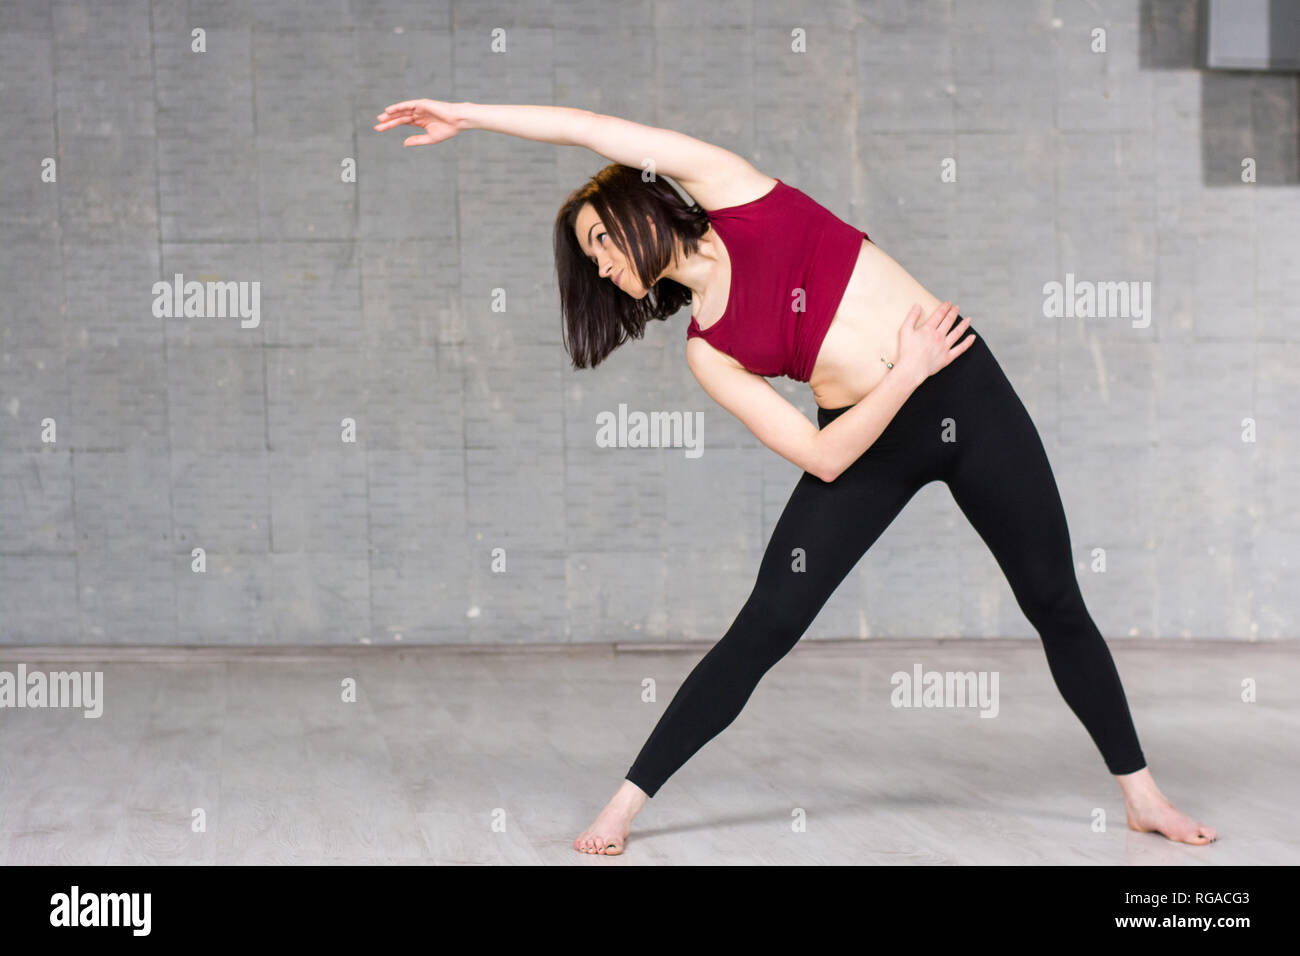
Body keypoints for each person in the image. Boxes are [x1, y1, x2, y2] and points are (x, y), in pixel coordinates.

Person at [374, 99, 1218, 856]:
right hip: (869, 429)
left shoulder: (736, 190)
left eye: (599, 241)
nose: (600, 267)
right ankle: (624, 806)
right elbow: (824, 457)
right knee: (767, 621)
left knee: (1054, 598)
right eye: (590, 261)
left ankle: (1143, 799)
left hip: (966, 390)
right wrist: (905, 371)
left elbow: (590, 130)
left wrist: (468, 114)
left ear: (636, 206)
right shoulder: (709, 346)